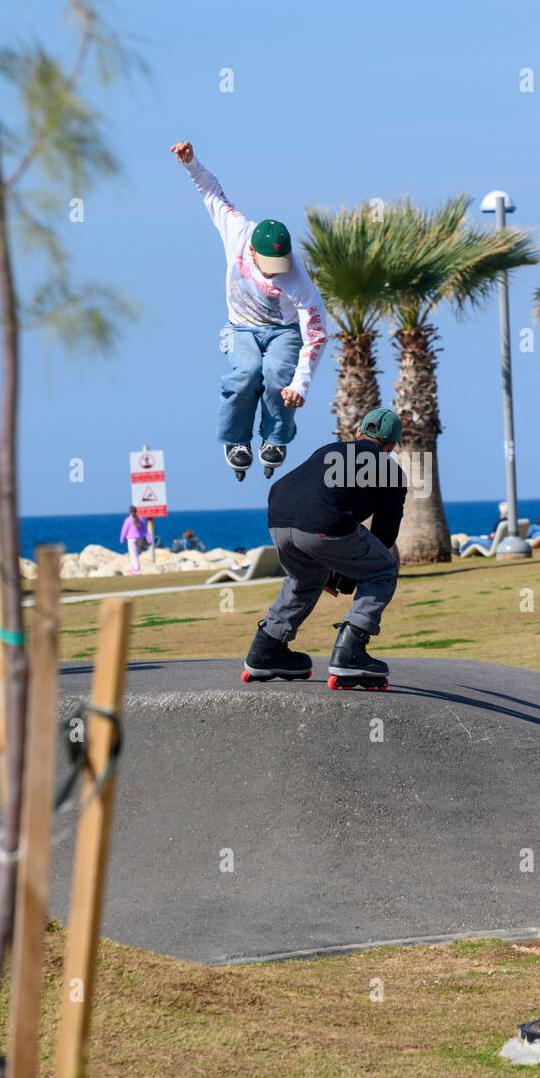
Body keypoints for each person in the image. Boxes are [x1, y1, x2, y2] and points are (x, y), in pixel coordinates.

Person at [169, 139, 328, 480]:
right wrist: (191, 163)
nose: (274, 271)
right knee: (246, 373)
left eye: (279, 264)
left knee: (275, 377)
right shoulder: (239, 233)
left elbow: (315, 333)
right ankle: (235, 440)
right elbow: (212, 194)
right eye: (268, 264)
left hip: (285, 331)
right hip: (240, 328)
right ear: (253, 253)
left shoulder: (297, 278)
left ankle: (275, 439)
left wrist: (300, 385)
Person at [243, 408, 407, 684]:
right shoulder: (389, 470)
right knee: (383, 570)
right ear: (391, 446)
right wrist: (351, 572)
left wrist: (339, 567)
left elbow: (317, 491)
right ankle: (350, 653)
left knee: (305, 578)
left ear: (357, 433)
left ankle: (266, 650)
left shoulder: (329, 450)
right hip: (322, 523)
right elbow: (383, 534)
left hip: (279, 518)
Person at [120, 506, 148, 574]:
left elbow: (124, 530)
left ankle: (136, 570)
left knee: (133, 554)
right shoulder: (141, 519)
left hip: (131, 539)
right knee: (136, 554)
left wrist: (122, 539)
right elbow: (145, 530)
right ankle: (134, 568)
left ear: (129, 512)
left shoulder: (128, 520)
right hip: (139, 538)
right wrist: (148, 538)